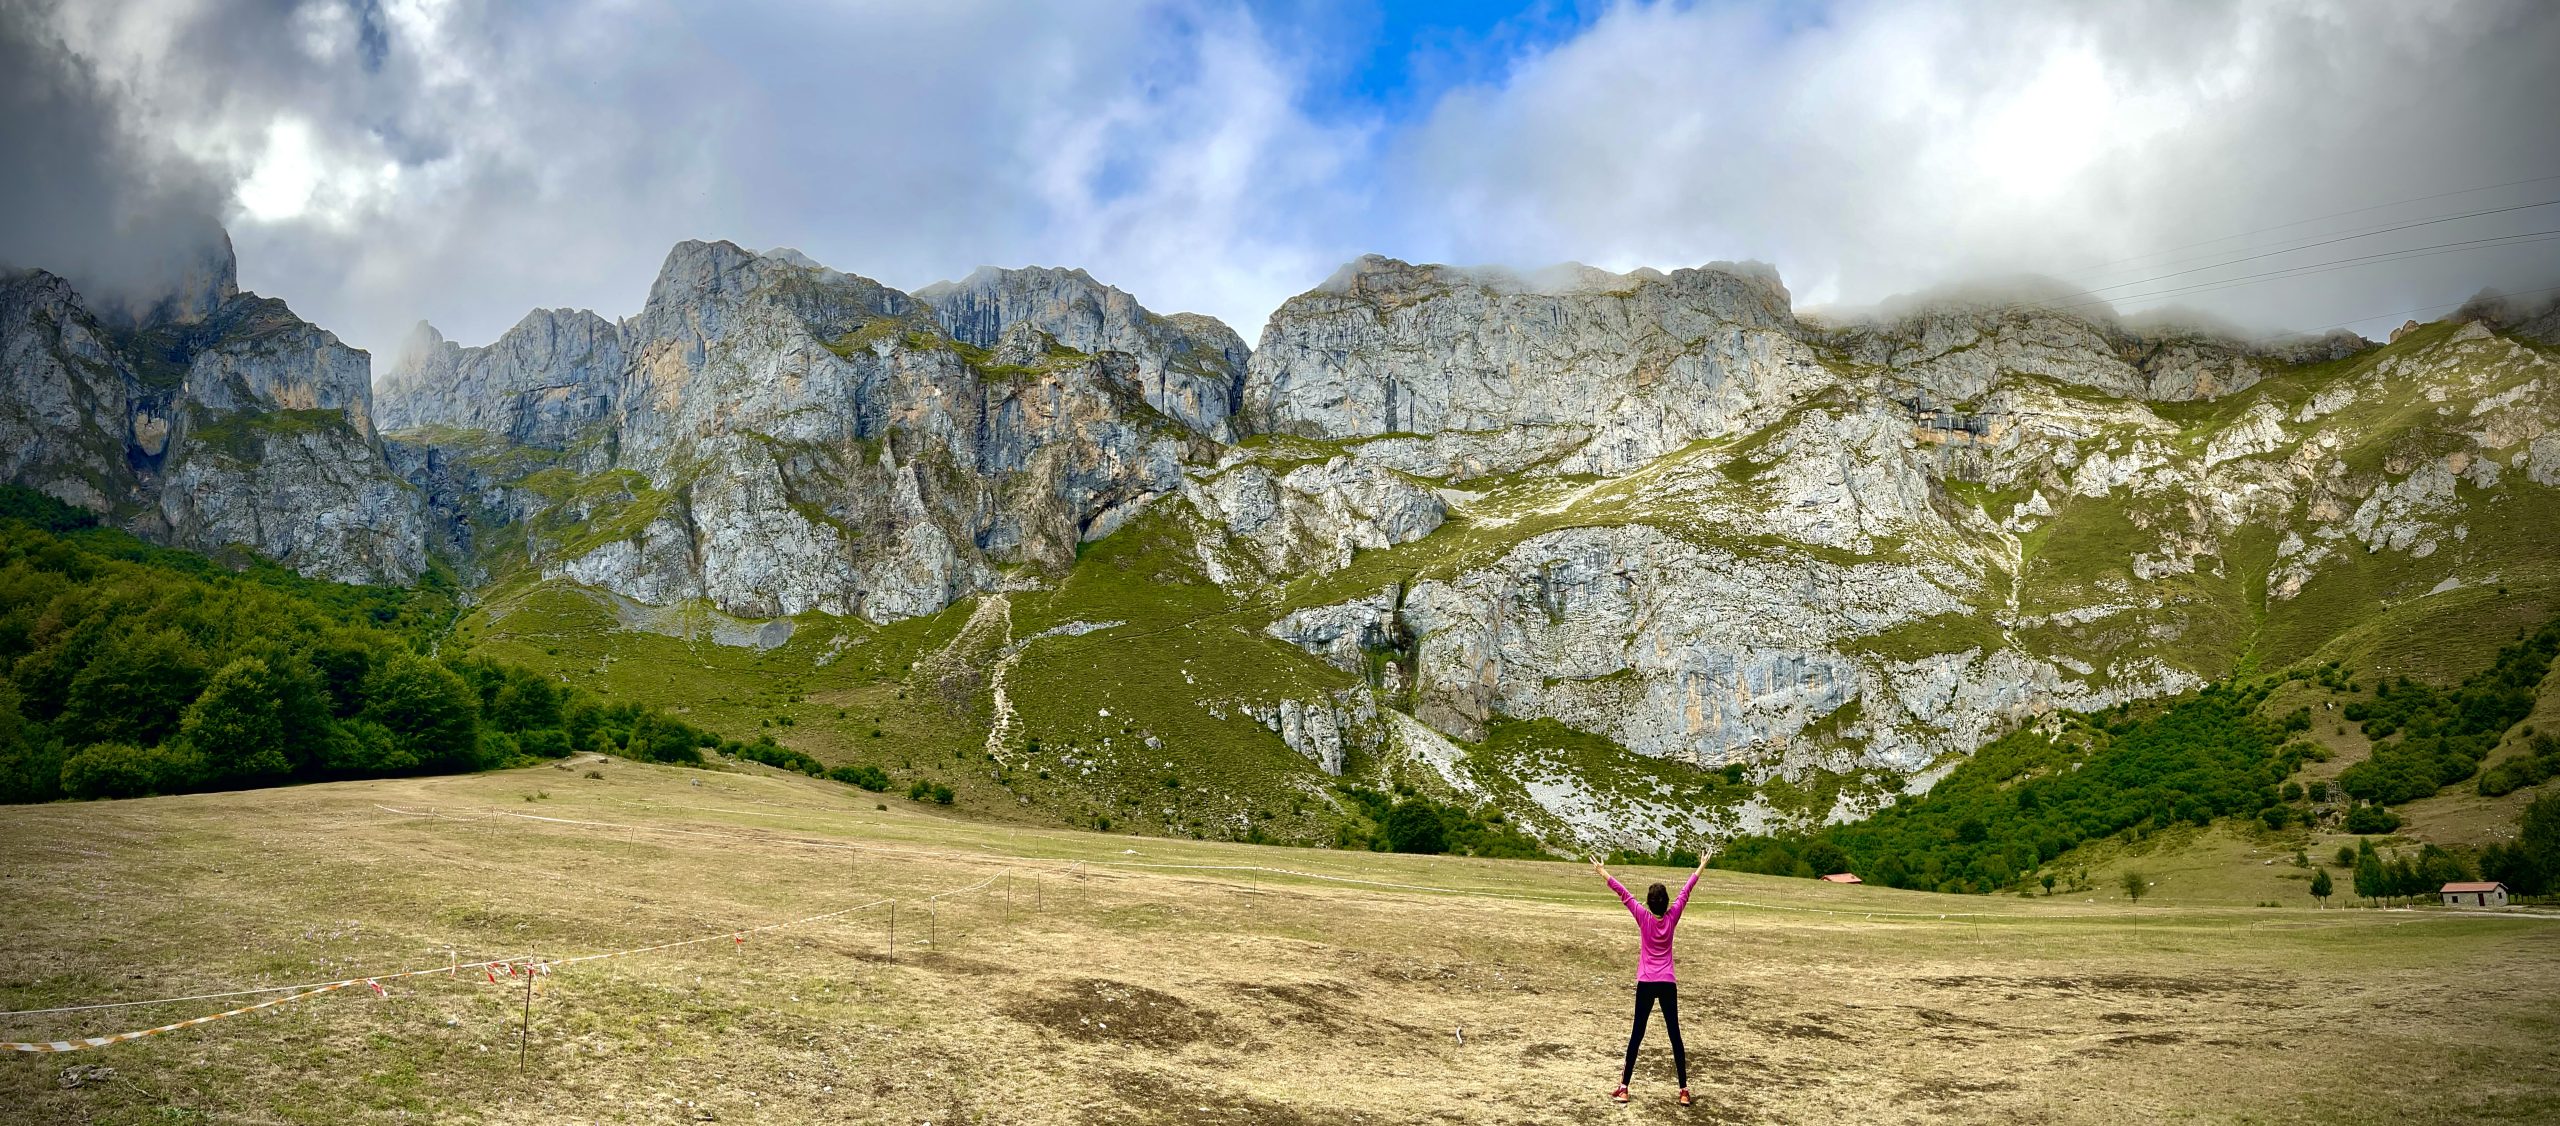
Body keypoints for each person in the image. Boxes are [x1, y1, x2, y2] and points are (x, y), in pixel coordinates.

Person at [1592, 851, 1706, 1106]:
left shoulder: (1643, 917)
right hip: (1667, 982)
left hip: (1646, 981)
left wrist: (1603, 872)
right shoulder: (1673, 916)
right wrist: (1701, 866)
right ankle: (1684, 1091)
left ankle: (1624, 1088)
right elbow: (1686, 892)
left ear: (1649, 903)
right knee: (1675, 1035)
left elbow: (1624, 894)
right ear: (1666, 904)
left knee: (1637, 1034)